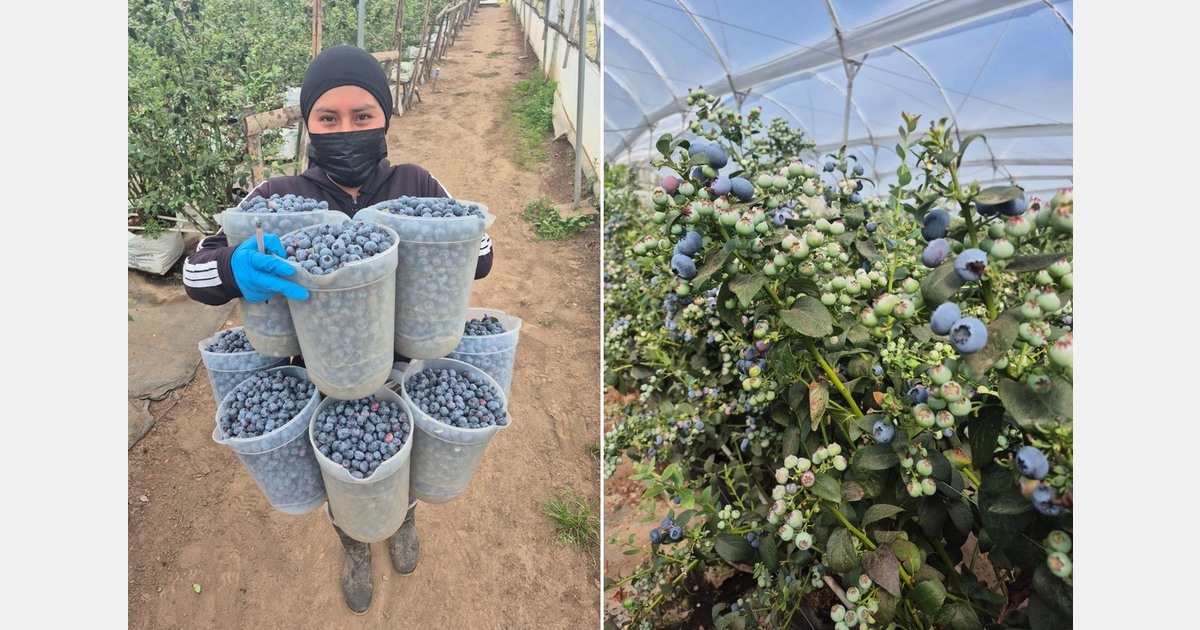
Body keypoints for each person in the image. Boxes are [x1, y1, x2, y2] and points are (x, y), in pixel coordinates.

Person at [182, 44, 493, 615]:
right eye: (328, 118)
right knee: (341, 469)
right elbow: (195, 274)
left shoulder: (417, 185)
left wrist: (433, 245)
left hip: (404, 367)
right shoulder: (278, 200)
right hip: (317, 372)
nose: (345, 130)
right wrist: (234, 268)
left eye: (362, 116)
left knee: (401, 455)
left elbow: (484, 253)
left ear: (384, 120)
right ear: (309, 125)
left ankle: (401, 519)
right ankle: (353, 541)